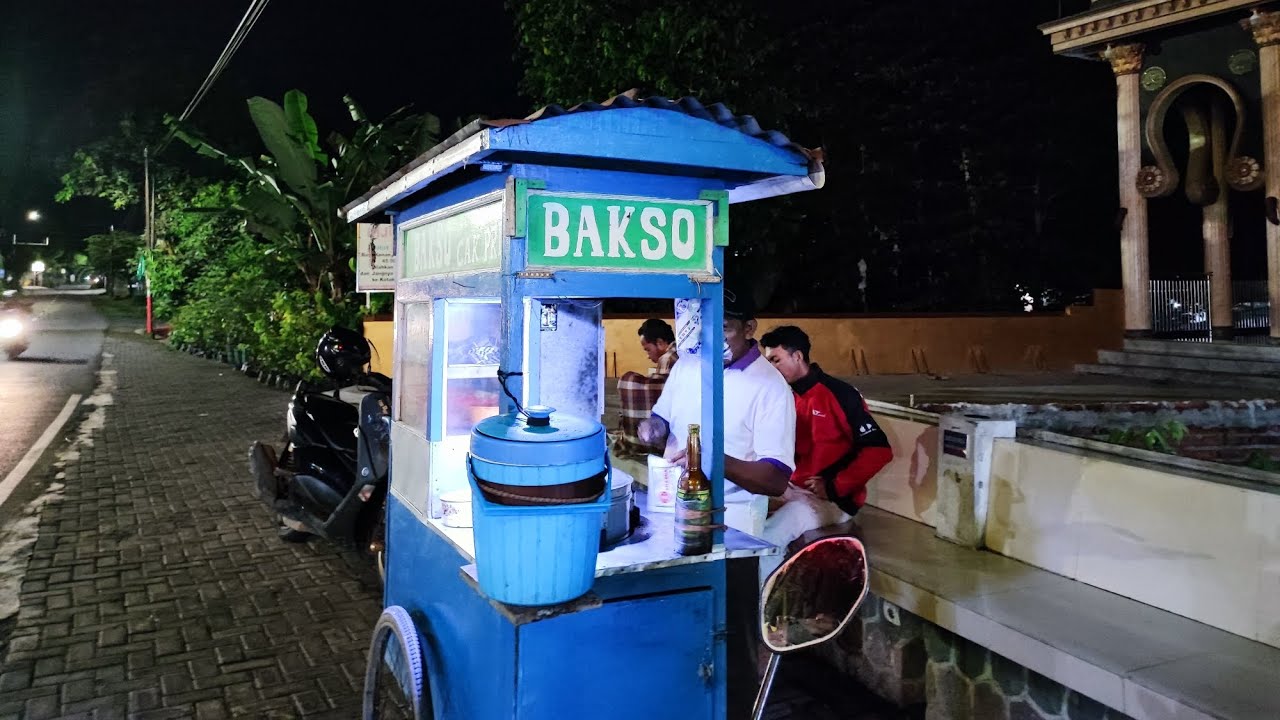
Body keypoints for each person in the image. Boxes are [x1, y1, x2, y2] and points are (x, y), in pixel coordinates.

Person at [639, 288, 795, 535]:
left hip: (730, 519)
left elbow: (775, 479)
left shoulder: (771, 387)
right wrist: (653, 428)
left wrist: (711, 460)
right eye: (703, 325)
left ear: (749, 328)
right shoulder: (688, 364)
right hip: (672, 504)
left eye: (723, 327)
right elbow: (663, 418)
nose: (710, 336)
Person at [760, 325, 893, 543]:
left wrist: (834, 486)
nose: (771, 368)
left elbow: (879, 450)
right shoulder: (782, 394)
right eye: (768, 362)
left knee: (770, 537)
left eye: (776, 360)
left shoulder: (839, 393)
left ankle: (764, 577)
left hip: (831, 499)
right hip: (790, 489)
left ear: (798, 356)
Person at [616, 319, 678, 455]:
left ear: (660, 343)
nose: (648, 356)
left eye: (648, 350)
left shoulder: (667, 358)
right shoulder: (680, 354)